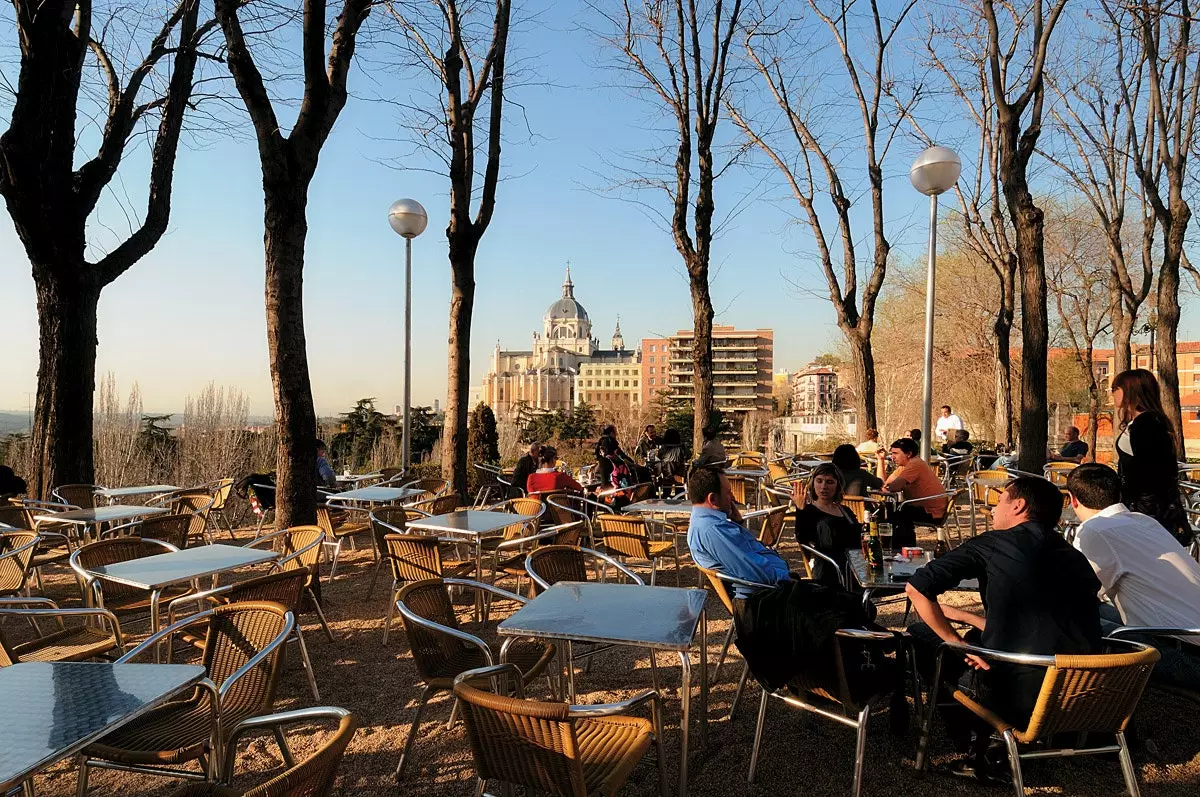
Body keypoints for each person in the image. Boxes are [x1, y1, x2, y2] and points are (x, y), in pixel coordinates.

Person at [905, 477, 1101, 780]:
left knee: (922, 635)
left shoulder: (994, 543)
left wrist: (954, 640)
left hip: (1018, 695)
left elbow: (917, 588)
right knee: (975, 639)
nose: (993, 509)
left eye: (999, 502)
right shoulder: (1074, 557)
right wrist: (969, 619)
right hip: (1083, 695)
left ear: (1019, 505)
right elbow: (1044, 623)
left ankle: (981, 748)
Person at [1066, 464, 1200, 690]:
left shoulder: (1095, 530)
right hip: (1188, 635)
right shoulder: (1144, 521)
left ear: (1073, 499)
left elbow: (1077, 592)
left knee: (1068, 620)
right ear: (1118, 494)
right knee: (1095, 613)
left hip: (1183, 655)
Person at [1111, 368, 1188, 544]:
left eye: (1116, 388)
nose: (1113, 393)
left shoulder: (1146, 424)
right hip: (1145, 506)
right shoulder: (1147, 421)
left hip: (1145, 509)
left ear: (1131, 390)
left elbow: (1148, 470)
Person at [687, 466, 789, 598]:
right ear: (712, 499)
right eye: (728, 492)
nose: (733, 497)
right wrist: (785, 576)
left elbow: (745, 555)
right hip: (765, 598)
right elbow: (756, 573)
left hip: (766, 591)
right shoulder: (713, 530)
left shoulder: (708, 523)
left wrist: (737, 523)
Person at [792, 463, 863, 580]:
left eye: (829, 482)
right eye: (819, 481)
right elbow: (802, 539)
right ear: (813, 483)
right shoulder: (809, 511)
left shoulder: (844, 510)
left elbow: (859, 535)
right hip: (831, 570)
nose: (823, 487)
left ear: (838, 486)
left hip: (855, 566)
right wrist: (800, 510)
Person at [875, 438, 947, 548]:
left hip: (932, 512)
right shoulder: (904, 466)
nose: (892, 457)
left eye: (895, 453)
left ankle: (901, 548)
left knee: (894, 512)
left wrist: (887, 488)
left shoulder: (915, 464)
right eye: (891, 453)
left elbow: (892, 487)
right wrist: (880, 460)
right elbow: (883, 483)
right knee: (888, 509)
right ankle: (892, 546)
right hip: (920, 507)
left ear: (908, 454)